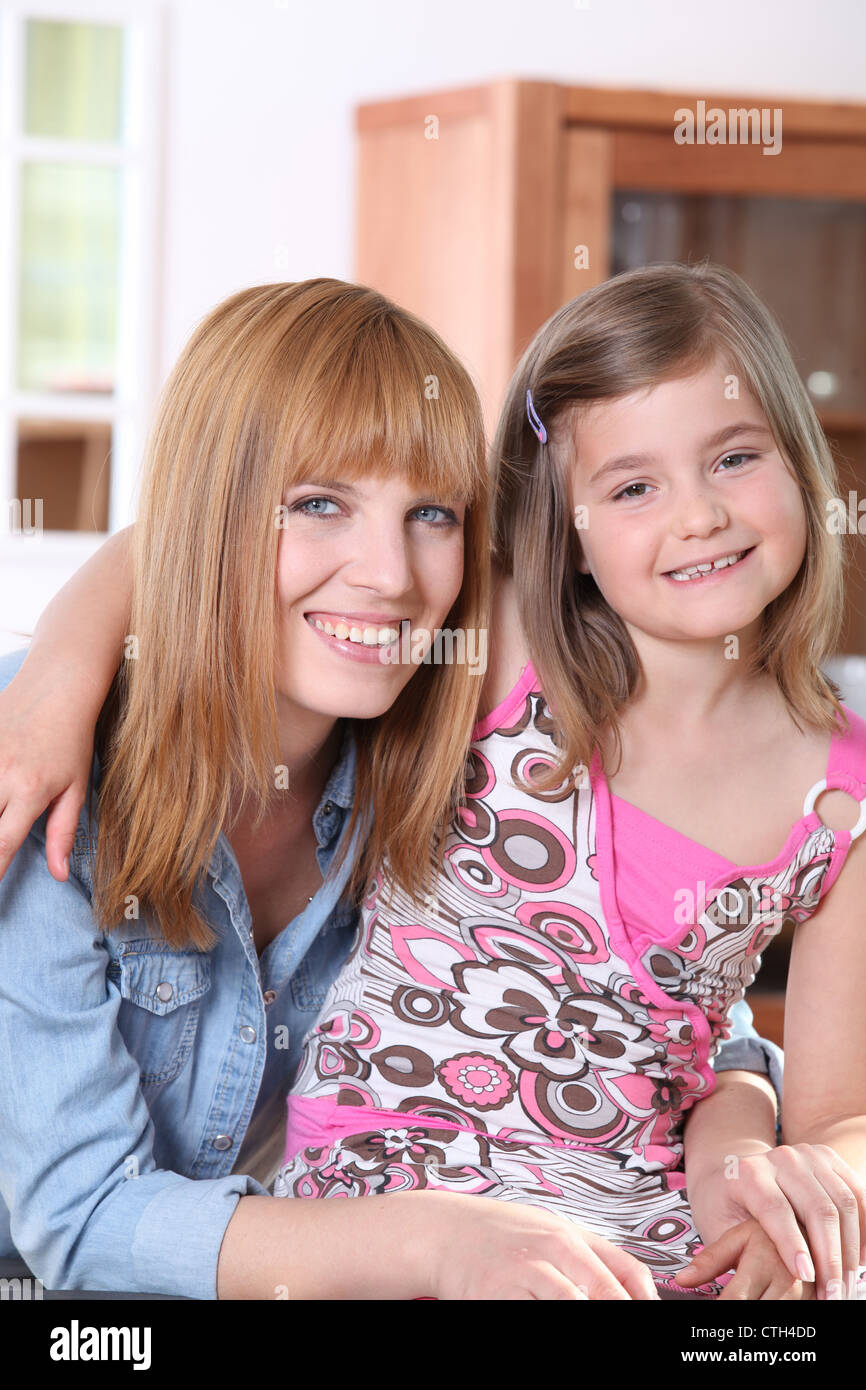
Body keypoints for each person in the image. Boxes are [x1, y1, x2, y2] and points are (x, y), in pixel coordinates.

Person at [0, 272, 830, 1300]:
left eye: (430, 513)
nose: (388, 574)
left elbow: (649, 1002)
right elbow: (80, 1225)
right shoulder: (45, 767)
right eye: (317, 504)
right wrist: (51, 673)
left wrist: (739, 1108)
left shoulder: (421, 735)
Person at [269, 263, 866, 1300]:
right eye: (632, 487)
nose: (698, 516)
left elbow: (837, 1115)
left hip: (640, 1227)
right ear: (566, 530)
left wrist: (817, 1178)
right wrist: (47, 689)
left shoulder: (841, 797)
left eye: (733, 457)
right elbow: (180, 554)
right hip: (391, 1192)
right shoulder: (498, 649)